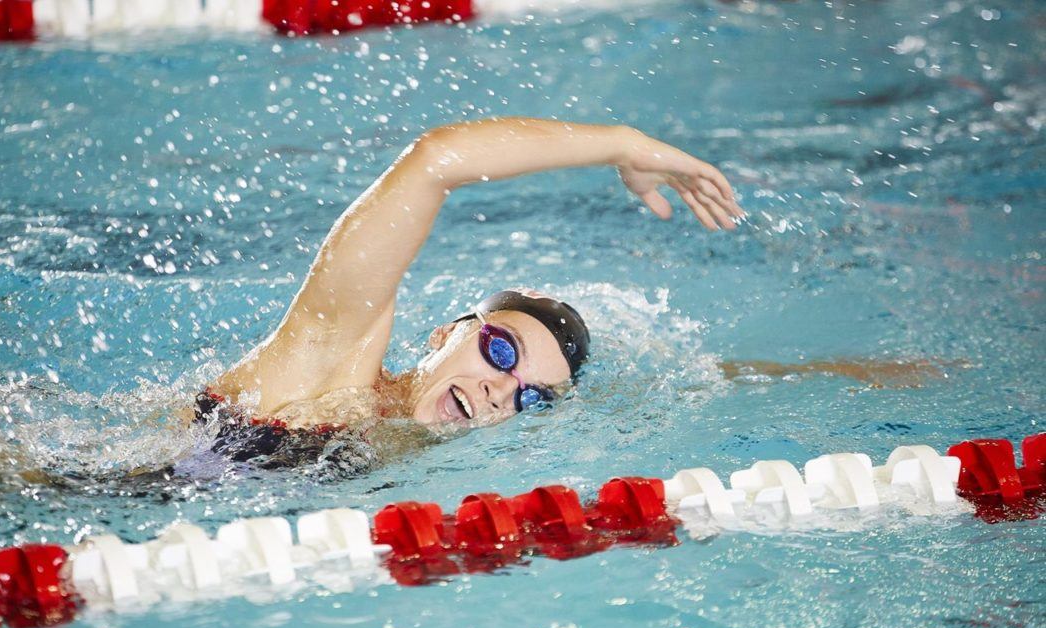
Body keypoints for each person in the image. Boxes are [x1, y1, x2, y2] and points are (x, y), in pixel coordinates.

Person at [192, 118, 745, 466]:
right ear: (443, 335)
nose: (500, 392)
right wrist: (621, 145)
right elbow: (433, 161)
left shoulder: (403, 454)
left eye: (530, 397)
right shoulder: (327, 369)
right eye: (501, 351)